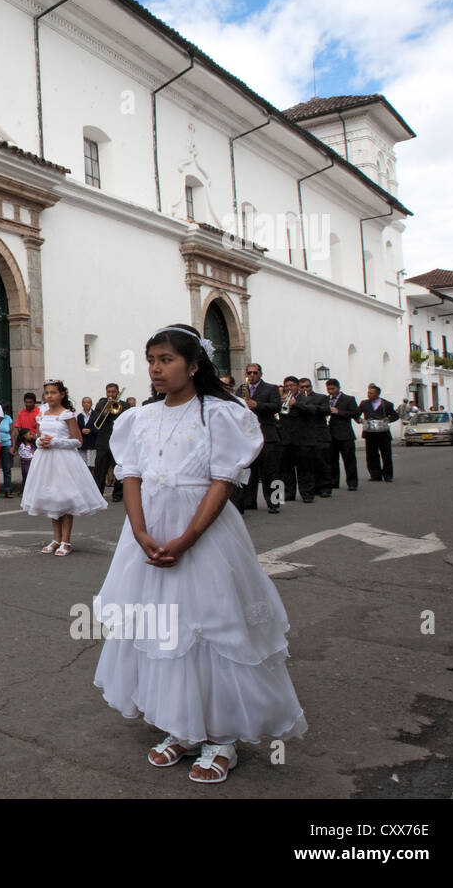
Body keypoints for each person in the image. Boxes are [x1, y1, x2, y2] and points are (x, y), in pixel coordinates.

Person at [93, 323, 306, 784]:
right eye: (151, 360)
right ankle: (180, 725)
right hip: (147, 534)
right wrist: (140, 531)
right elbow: (130, 476)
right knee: (161, 628)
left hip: (204, 534)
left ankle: (222, 735)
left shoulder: (219, 413)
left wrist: (187, 538)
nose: (156, 369)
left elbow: (222, 480)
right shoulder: (138, 418)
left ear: (193, 365)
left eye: (166, 360)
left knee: (212, 628)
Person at [20, 379, 107, 556]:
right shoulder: (42, 414)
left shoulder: (67, 415)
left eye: (53, 392)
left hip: (63, 460)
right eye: (47, 393)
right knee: (52, 497)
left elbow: (77, 441)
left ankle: (66, 540)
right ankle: (56, 538)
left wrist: (55, 441)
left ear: (62, 394)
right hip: (45, 460)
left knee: (65, 498)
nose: (49, 396)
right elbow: (38, 435)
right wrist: (39, 441)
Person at [235, 363, 282, 515]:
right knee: (250, 472)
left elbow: (276, 406)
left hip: (267, 434)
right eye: (249, 372)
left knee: (272, 471)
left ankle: (276, 502)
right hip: (248, 436)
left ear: (260, 373)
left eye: (255, 372)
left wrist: (257, 404)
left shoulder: (271, 388)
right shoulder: (242, 389)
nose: (252, 375)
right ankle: (250, 501)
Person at [90, 383, 129, 503]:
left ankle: (117, 494)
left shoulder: (124, 405)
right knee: (100, 469)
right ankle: (98, 494)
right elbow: (95, 422)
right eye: (109, 392)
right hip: (103, 441)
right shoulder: (101, 404)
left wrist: (120, 411)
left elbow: (127, 422)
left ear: (118, 392)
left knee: (119, 468)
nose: (111, 394)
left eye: (113, 392)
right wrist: (105, 411)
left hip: (119, 441)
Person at [358, 384, 400, 482]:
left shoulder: (387, 404)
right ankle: (375, 474)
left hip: (383, 433)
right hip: (370, 432)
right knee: (371, 454)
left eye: (371, 393)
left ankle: (387, 474)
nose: (369, 395)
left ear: (377, 394)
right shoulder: (364, 403)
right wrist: (360, 420)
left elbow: (395, 415)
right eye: (368, 393)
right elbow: (357, 413)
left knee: (386, 454)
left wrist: (388, 419)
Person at [298, 378, 332, 497]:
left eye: (307, 386)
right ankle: (311, 488)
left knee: (322, 462)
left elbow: (327, 410)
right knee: (308, 464)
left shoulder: (321, 397)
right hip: (304, 435)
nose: (305, 389)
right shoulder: (296, 399)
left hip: (319, 434)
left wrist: (310, 407)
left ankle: (325, 487)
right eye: (302, 387)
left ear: (311, 386)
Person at [325, 378, 360, 491]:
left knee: (349, 460)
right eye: (329, 389)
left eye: (333, 389)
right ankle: (334, 481)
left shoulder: (348, 399)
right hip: (330, 434)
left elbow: (355, 413)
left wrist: (339, 412)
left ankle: (352, 482)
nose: (330, 391)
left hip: (345, 434)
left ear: (338, 388)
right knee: (332, 460)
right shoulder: (326, 399)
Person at [276, 376, 307, 503]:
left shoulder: (305, 398)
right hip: (285, 438)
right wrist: (279, 401)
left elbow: (310, 410)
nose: (289, 388)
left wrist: (296, 404)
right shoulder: (281, 399)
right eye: (287, 386)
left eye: (292, 385)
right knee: (286, 469)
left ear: (297, 387)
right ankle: (289, 493)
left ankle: (306, 493)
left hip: (300, 438)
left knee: (303, 468)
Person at [76, 395, 97, 468]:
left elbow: (98, 428)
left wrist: (90, 430)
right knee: (82, 465)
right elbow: (77, 428)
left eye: (88, 402)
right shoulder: (79, 416)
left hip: (92, 443)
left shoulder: (96, 415)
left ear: (91, 404)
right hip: (83, 444)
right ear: (82, 404)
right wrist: (81, 430)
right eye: (84, 403)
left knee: (92, 465)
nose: (86, 404)